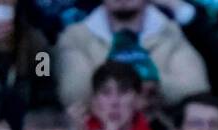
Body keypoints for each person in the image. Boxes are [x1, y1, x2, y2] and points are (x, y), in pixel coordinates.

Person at [56, 0, 208, 109]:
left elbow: (195, 89)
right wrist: (140, 78)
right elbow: (74, 94)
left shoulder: (170, 32)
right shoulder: (76, 36)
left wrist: (154, 81)